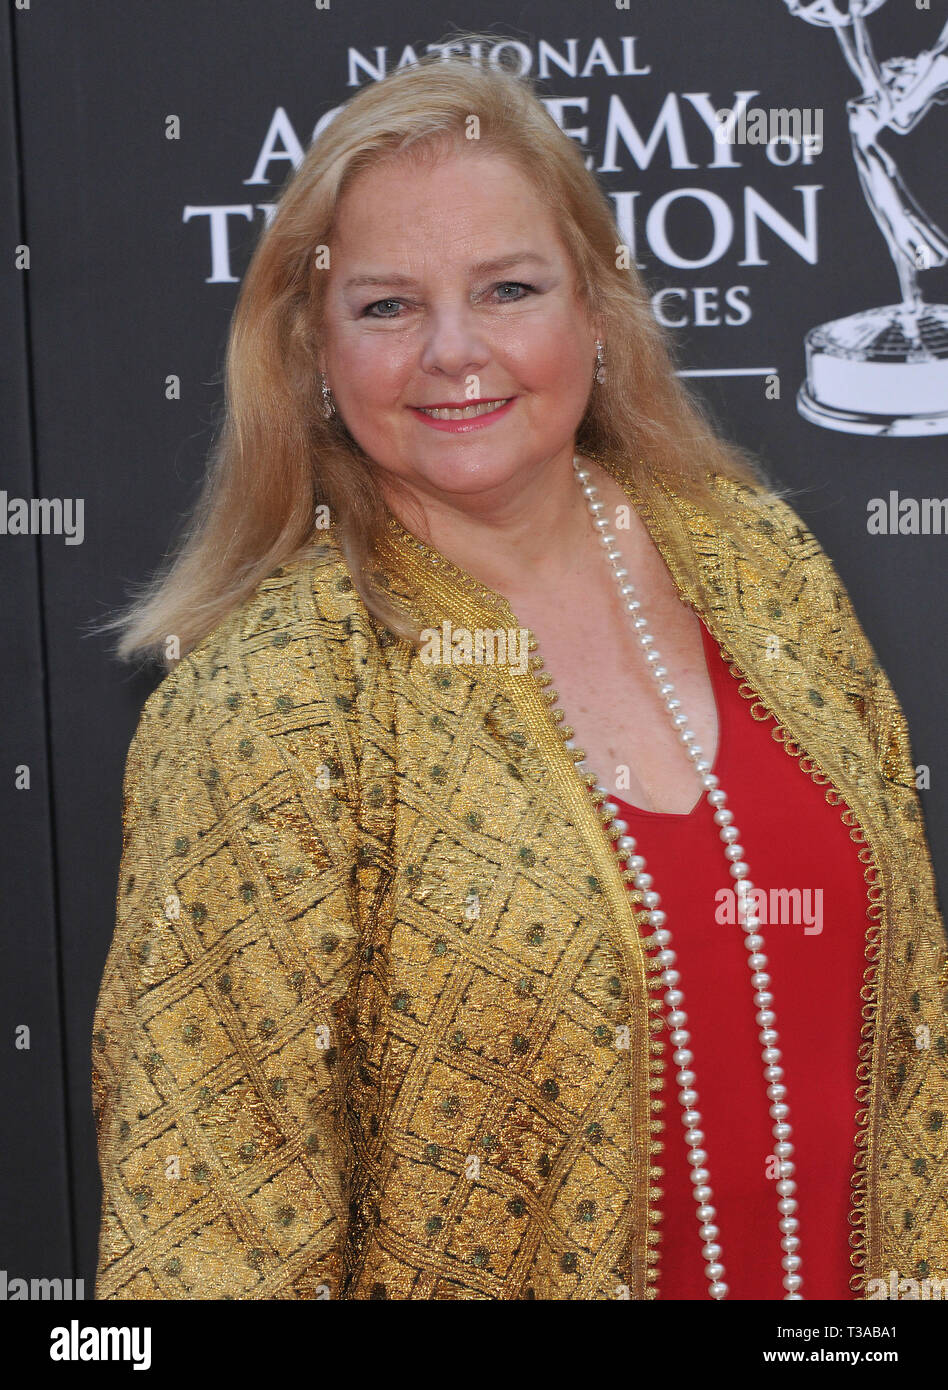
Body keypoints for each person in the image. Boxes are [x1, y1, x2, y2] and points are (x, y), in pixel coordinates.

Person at [91, 37, 948, 1301]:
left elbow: (913, 1050)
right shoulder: (263, 706)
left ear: (595, 308)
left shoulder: (753, 556)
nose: (455, 350)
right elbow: (208, 1247)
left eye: (509, 288)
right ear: (312, 352)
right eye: (387, 305)